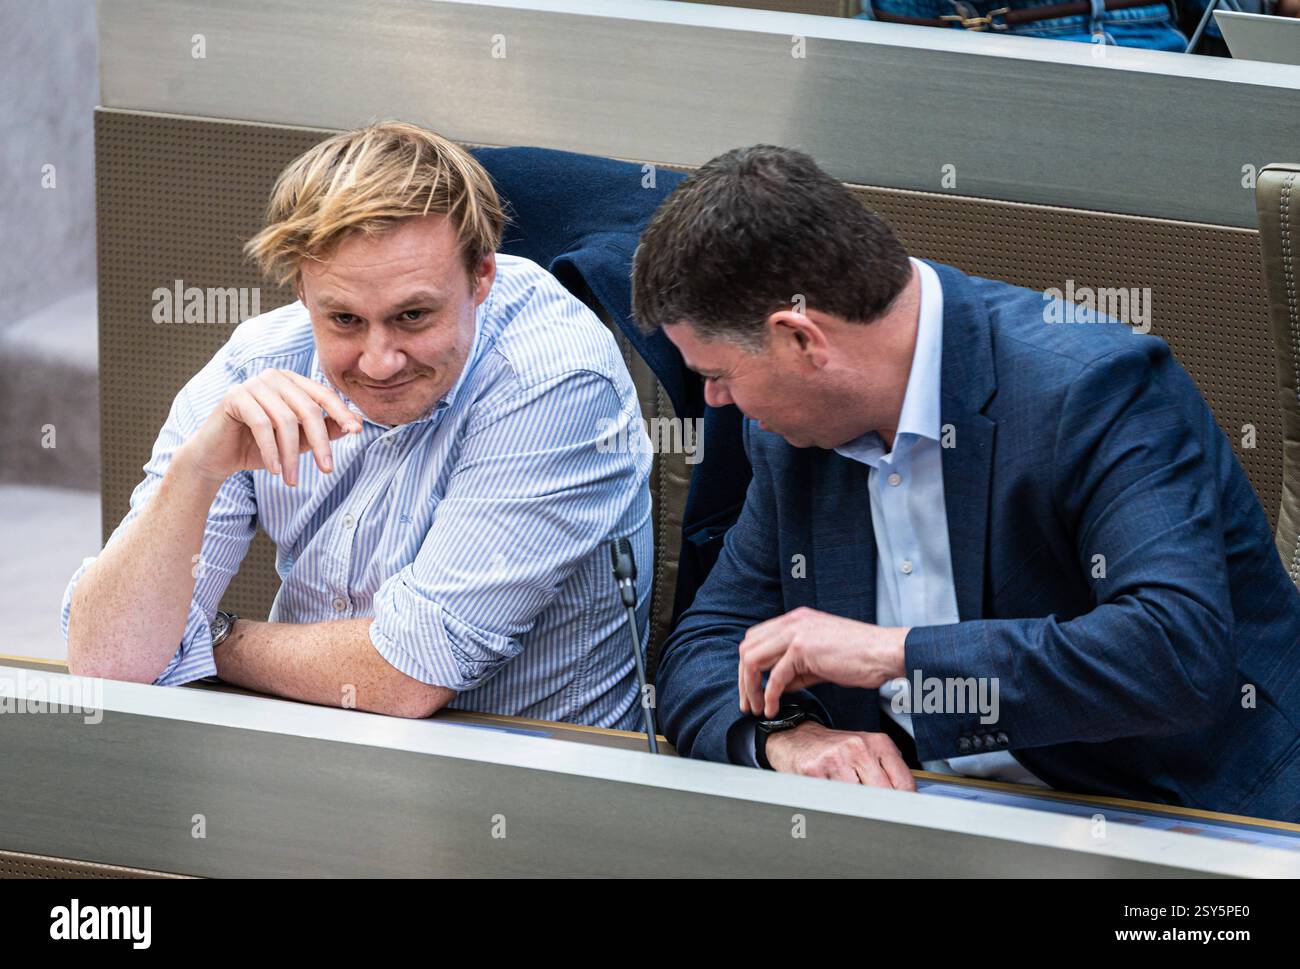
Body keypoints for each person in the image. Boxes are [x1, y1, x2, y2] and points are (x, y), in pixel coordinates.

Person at [635, 144, 1300, 821]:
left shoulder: (1092, 389)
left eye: (718, 374)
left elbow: (1174, 653)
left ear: (801, 339)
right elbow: (704, 646)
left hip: (1184, 814)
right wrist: (791, 736)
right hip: (928, 818)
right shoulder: (791, 437)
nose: (714, 399)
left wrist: (892, 654)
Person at [62, 121, 653, 727]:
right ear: (302, 288)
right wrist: (196, 472)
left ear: (482, 275)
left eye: (413, 315)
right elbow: (108, 663)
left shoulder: (555, 379)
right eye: (344, 319)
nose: (379, 362)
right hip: (308, 740)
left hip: (528, 767)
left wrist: (207, 640)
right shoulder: (258, 361)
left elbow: (411, 674)